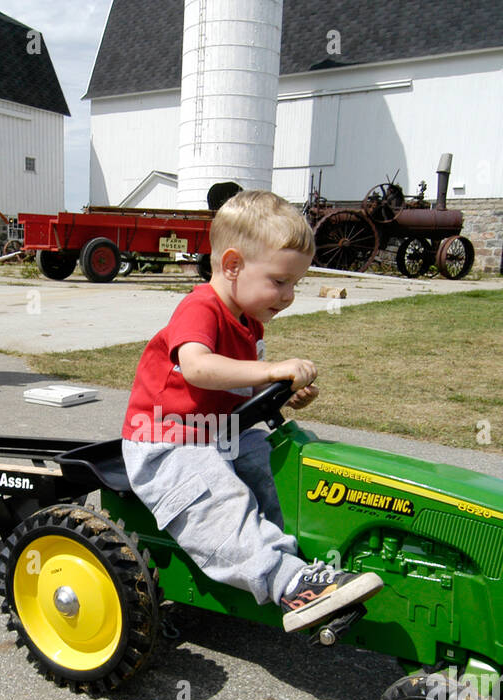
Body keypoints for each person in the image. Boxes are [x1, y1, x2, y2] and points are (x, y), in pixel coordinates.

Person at [120, 190, 384, 633]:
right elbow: (199, 367)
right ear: (232, 266)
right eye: (280, 282)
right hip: (167, 443)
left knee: (284, 465)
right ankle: (289, 581)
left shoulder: (249, 321)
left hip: (223, 432)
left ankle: (309, 556)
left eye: (295, 284)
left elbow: (236, 384)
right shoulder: (200, 307)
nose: (289, 295)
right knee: (220, 500)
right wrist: (270, 370)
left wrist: (279, 392)